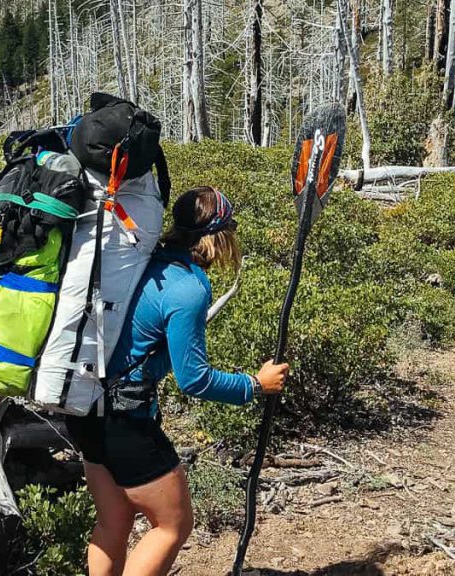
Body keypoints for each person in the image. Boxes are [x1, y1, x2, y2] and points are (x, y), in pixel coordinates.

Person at [66, 186, 290, 576]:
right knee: (173, 525)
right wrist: (255, 384)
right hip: (124, 420)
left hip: (83, 404)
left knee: (113, 521)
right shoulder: (189, 287)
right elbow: (194, 380)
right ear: (219, 237)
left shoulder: (144, 260)